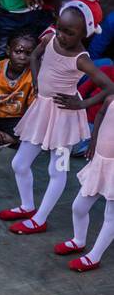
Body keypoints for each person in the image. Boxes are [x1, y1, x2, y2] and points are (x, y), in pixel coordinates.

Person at [2, 0, 114, 233]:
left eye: (69, 32)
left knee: (57, 169)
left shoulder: (82, 60)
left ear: (85, 34)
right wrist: (35, 80)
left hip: (65, 121)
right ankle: (27, 205)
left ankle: (39, 219)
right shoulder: (51, 37)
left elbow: (109, 87)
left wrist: (82, 104)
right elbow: (35, 56)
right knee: (19, 163)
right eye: (60, 28)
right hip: (41, 113)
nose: (61, 35)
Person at [58, 96, 114, 270]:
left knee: (111, 216)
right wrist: (94, 142)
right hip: (100, 162)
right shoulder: (111, 99)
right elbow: (101, 114)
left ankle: (94, 257)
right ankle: (78, 240)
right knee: (78, 207)